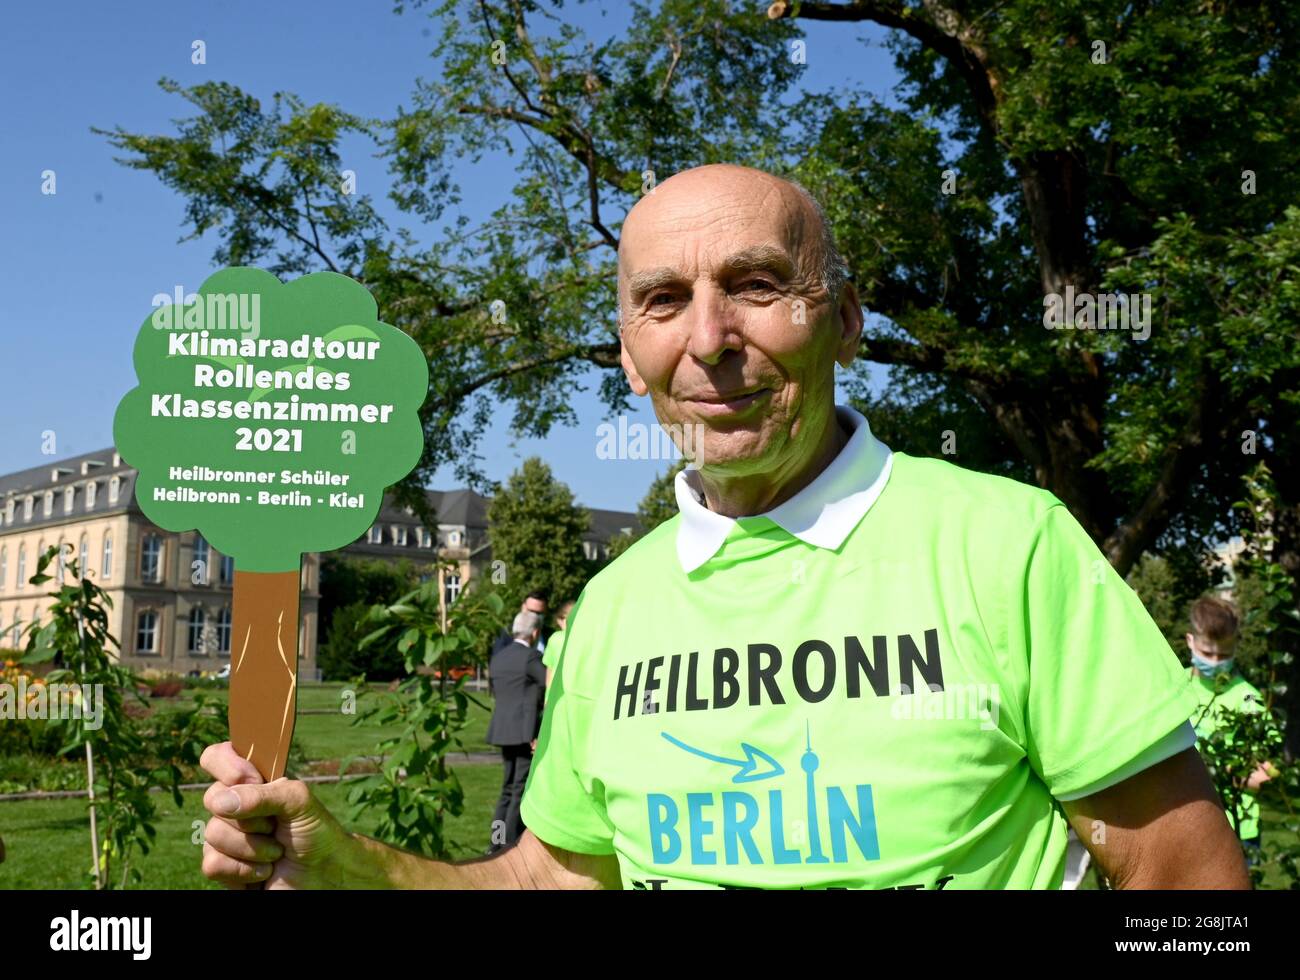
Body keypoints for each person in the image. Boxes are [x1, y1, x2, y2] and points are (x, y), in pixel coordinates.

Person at [197, 163, 1248, 890]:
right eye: (662, 300)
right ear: (626, 349)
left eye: (754, 285)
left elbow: (1179, 874)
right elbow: (562, 875)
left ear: (841, 318)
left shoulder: (1008, 543)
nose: (710, 340)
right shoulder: (612, 605)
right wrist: (346, 864)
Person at [1185, 595, 1277, 864]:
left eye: (1223, 655)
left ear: (1236, 645)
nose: (1215, 662)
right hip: (1185, 822)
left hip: (1239, 827)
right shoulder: (1175, 687)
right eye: (1207, 653)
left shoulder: (1248, 699)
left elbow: (1270, 770)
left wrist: (1224, 771)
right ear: (1190, 641)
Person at [484, 610, 548, 853]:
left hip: (502, 728)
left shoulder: (499, 657)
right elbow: (549, 682)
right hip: (524, 729)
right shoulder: (530, 657)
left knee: (507, 788)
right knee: (518, 788)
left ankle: (496, 841)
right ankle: (508, 844)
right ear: (535, 633)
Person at [490, 590, 549, 659]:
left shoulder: (551, 636)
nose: (534, 616)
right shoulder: (506, 633)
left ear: (545, 612)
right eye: (531, 611)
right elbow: (497, 661)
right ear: (523, 607)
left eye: (538, 613)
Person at [542, 599, 575, 696]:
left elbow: (549, 674)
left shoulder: (555, 639)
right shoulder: (588, 637)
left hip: (558, 694)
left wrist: (547, 699)